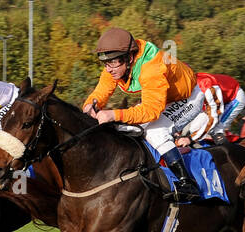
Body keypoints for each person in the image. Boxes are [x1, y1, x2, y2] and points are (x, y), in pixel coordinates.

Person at [81, 27, 202, 200]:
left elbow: (152, 111)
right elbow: (101, 91)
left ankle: (187, 184)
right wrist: (90, 106)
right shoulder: (116, 61)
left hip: (189, 98)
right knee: (126, 129)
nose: (108, 69)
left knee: (155, 131)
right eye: (105, 63)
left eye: (113, 63)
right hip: (164, 98)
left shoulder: (151, 68)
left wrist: (113, 115)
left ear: (129, 58)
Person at [183, 72, 245, 145]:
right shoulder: (190, 85)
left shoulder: (206, 85)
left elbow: (213, 118)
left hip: (234, 98)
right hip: (217, 100)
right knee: (193, 129)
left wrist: (190, 139)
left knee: (216, 130)